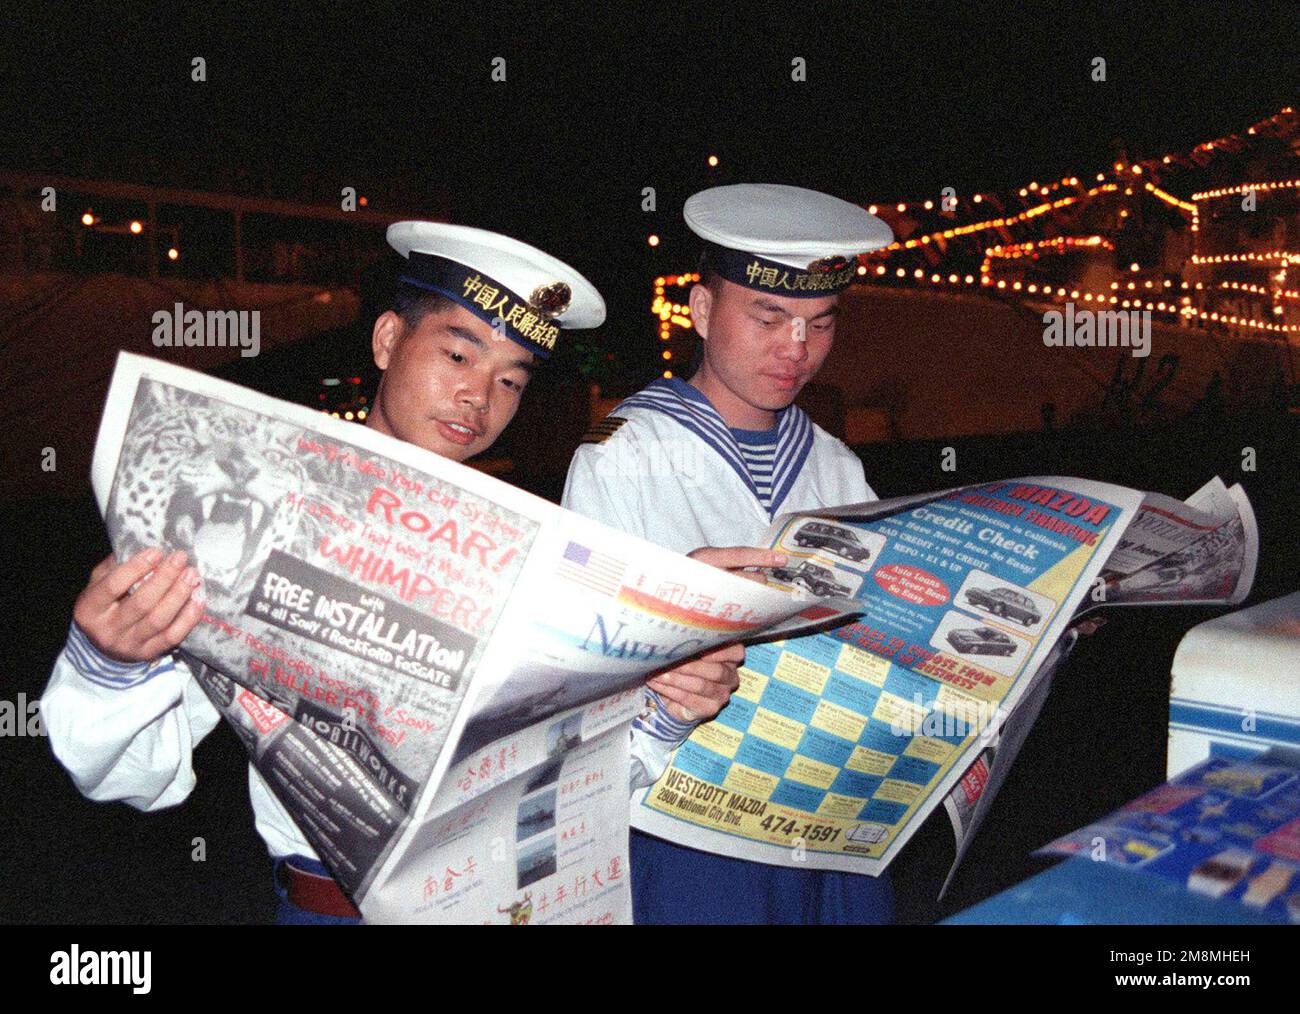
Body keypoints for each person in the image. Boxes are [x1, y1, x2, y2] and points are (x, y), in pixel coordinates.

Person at [42, 221, 742, 924]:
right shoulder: (261, 511)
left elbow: (568, 786)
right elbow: (131, 775)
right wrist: (113, 661)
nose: (479, 397)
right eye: (458, 355)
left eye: (509, 379)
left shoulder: (538, 552)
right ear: (386, 341)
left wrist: (665, 712)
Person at [562, 183, 897, 924]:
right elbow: (573, 669)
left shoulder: (837, 465)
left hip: (828, 811)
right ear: (703, 309)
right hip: (684, 826)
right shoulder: (625, 454)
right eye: (770, 317)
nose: (797, 350)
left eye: (820, 323)